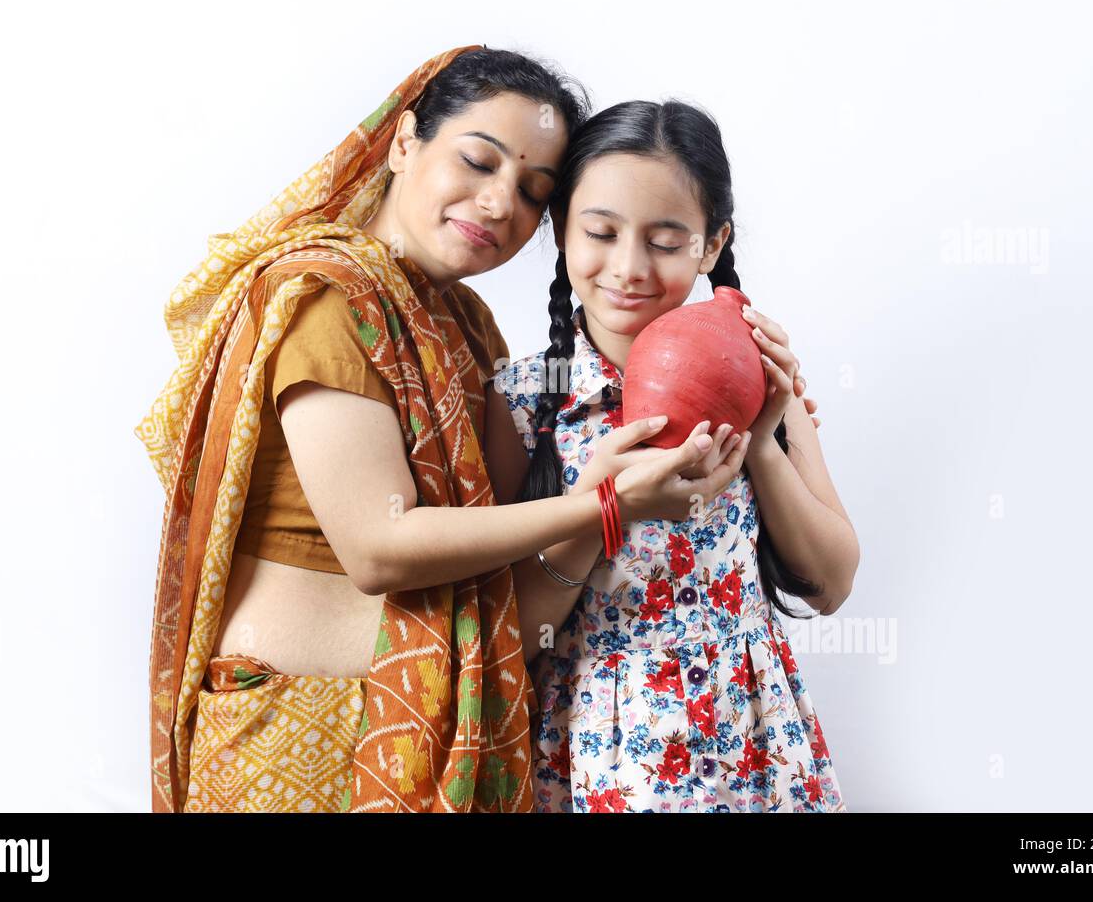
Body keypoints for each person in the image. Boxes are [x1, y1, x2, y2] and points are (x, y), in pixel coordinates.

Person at [135, 47, 750, 813]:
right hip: (291, 728)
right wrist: (605, 506)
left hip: (423, 725)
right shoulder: (327, 298)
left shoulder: (467, 327)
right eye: (478, 161)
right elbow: (378, 549)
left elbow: (501, 534)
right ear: (402, 143)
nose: (500, 205)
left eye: (532, 191)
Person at [491, 99, 859, 812]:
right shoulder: (524, 403)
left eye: (665, 241)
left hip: (749, 737)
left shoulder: (760, 381)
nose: (628, 268)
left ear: (712, 245)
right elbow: (516, 633)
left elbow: (831, 584)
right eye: (600, 232)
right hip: (598, 745)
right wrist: (601, 507)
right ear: (562, 228)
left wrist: (761, 438)